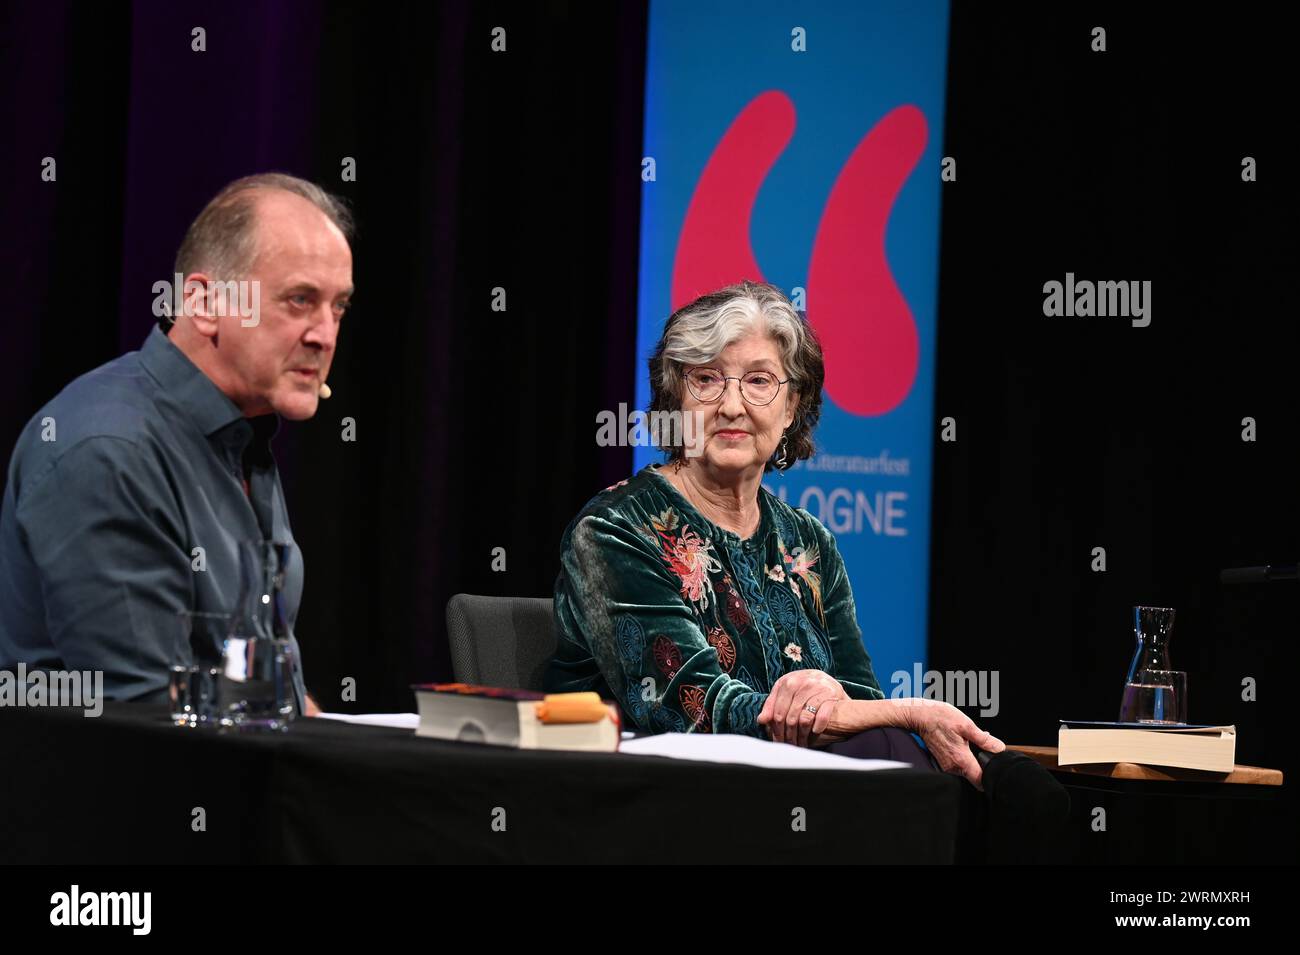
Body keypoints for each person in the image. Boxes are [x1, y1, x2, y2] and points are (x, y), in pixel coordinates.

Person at [547, 280, 1004, 786]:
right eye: (707, 380)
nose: (732, 405)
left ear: (791, 408)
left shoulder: (810, 543)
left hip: (798, 801)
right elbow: (694, 713)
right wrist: (908, 711)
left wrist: (862, 711)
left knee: (947, 775)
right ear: (674, 401)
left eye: (759, 381)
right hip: (664, 800)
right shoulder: (614, 531)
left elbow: (859, 701)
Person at [0, 173, 354, 714]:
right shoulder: (110, 449)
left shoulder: (243, 436)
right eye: (299, 300)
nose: (324, 334)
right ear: (205, 302)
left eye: (338, 307)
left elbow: (254, 679)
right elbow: (146, 711)